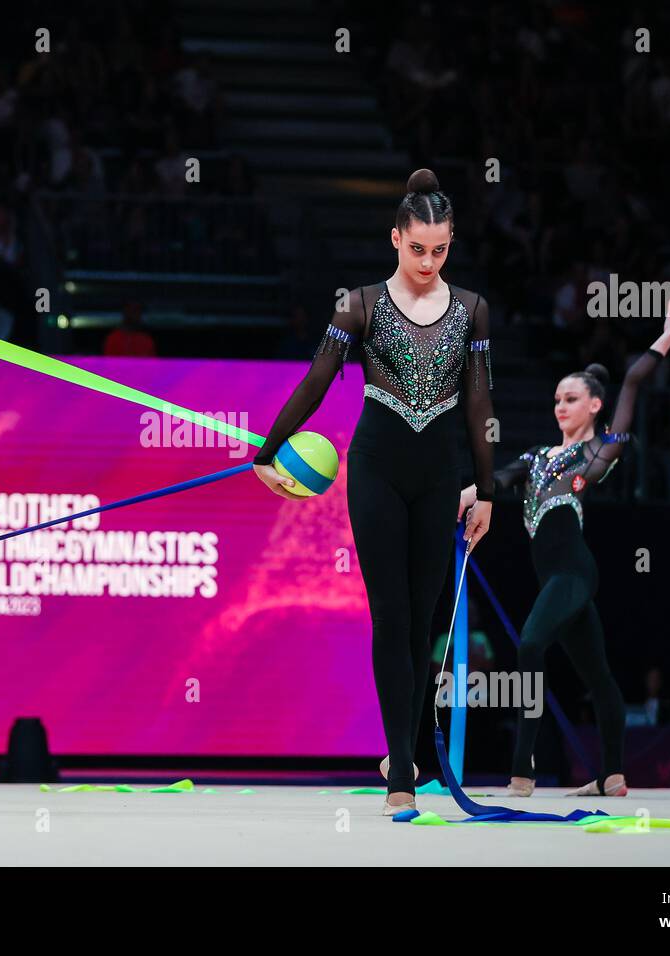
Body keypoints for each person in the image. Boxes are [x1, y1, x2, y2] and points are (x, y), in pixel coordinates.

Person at [254, 169, 496, 815]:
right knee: (391, 614)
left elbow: (478, 404)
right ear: (395, 238)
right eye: (417, 248)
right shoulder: (358, 304)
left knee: (421, 626)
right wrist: (269, 447)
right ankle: (401, 775)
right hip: (377, 470)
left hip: (440, 474)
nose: (427, 261)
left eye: (440, 249)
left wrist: (487, 489)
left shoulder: (471, 309)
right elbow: (315, 381)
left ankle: (403, 749)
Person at [459, 298, 670, 797]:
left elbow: (631, 382)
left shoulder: (597, 452)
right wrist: (471, 490)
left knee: (529, 644)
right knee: (599, 676)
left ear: (593, 405)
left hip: (574, 573)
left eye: (570, 399)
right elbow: (501, 479)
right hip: (558, 581)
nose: (559, 406)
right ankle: (612, 774)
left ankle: (521, 769)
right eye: (556, 399)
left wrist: (668, 335)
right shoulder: (537, 456)